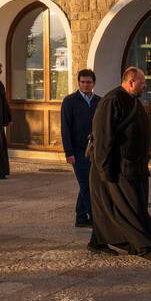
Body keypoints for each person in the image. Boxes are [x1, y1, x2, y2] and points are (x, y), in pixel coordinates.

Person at [88, 66, 151, 263]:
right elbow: (103, 136)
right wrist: (104, 168)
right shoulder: (112, 100)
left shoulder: (132, 100)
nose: (145, 86)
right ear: (130, 82)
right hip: (116, 168)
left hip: (135, 166)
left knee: (125, 206)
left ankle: (99, 241)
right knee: (130, 208)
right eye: (142, 83)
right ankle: (144, 246)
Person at [60, 69, 100, 228]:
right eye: (82, 82)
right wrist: (68, 152)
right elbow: (65, 127)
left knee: (88, 183)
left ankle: (81, 217)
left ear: (93, 83)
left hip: (95, 150)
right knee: (86, 185)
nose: (85, 85)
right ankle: (94, 217)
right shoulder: (70, 101)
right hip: (77, 150)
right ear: (78, 82)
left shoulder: (99, 101)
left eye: (88, 82)